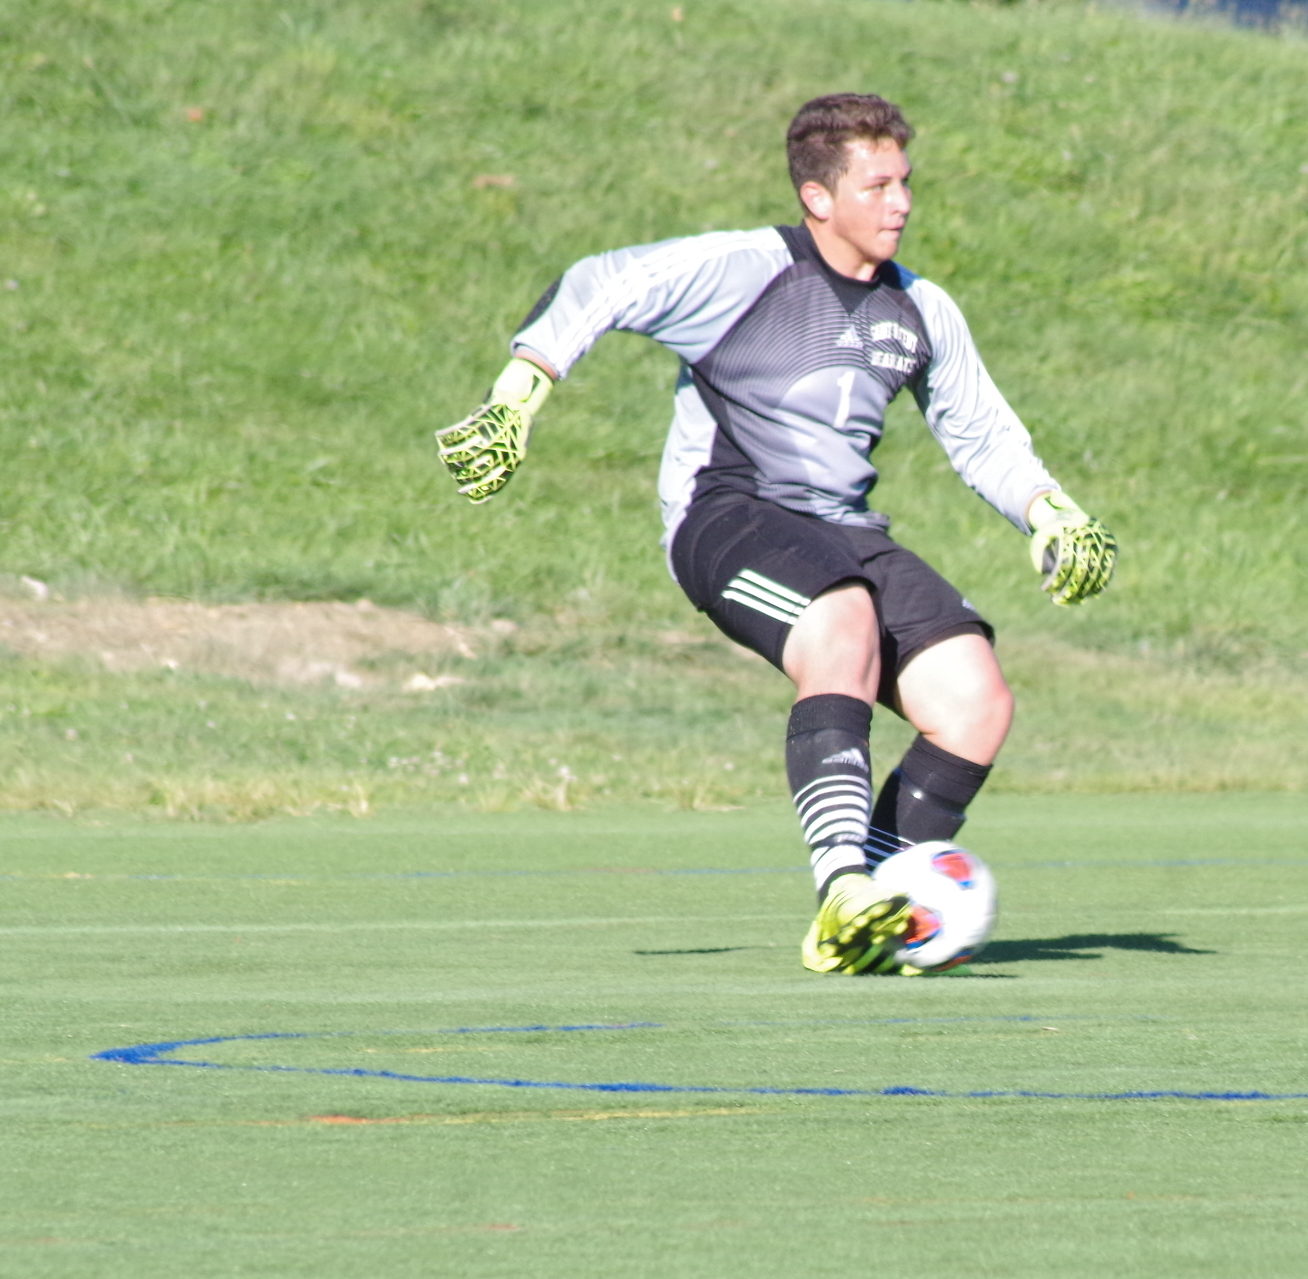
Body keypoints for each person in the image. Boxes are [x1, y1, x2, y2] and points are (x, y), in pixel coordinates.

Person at [436, 93, 1115, 975]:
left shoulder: (920, 309)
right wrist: (520, 392)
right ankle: (842, 888)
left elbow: (980, 432)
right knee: (842, 626)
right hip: (729, 514)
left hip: (845, 529)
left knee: (975, 703)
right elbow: (602, 280)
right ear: (818, 197)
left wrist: (1048, 509)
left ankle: (867, 918)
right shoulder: (747, 270)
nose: (901, 203)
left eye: (905, 182)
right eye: (877, 185)